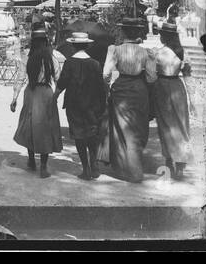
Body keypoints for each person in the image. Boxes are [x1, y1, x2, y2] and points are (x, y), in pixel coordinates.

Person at [100, 17, 155, 183]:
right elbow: (152, 78)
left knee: (123, 129)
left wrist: (108, 87)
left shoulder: (115, 50)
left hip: (122, 88)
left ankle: (127, 167)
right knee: (138, 128)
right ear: (138, 32)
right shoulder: (146, 52)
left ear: (123, 31)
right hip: (139, 89)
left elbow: (106, 74)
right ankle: (134, 165)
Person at [10, 28, 62, 177]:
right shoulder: (51, 58)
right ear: (46, 41)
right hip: (46, 93)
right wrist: (56, 95)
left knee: (29, 126)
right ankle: (44, 166)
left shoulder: (26, 58)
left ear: (32, 42)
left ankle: (31, 160)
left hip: (31, 93)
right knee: (46, 128)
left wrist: (14, 98)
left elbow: (20, 79)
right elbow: (59, 78)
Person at [56, 32, 107, 180]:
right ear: (87, 45)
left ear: (72, 46)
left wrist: (55, 95)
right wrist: (102, 105)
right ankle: (94, 165)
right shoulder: (95, 63)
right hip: (93, 104)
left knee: (79, 136)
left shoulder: (69, 63)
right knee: (92, 134)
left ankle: (86, 169)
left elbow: (62, 83)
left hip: (74, 103)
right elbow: (100, 86)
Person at [152, 20, 191, 180]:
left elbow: (151, 72)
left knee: (165, 125)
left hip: (161, 87)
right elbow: (188, 74)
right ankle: (181, 164)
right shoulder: (182, 52)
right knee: (181, 125)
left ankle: (169, 161)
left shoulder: (158, 53)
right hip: (177, 87)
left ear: (164, 36)